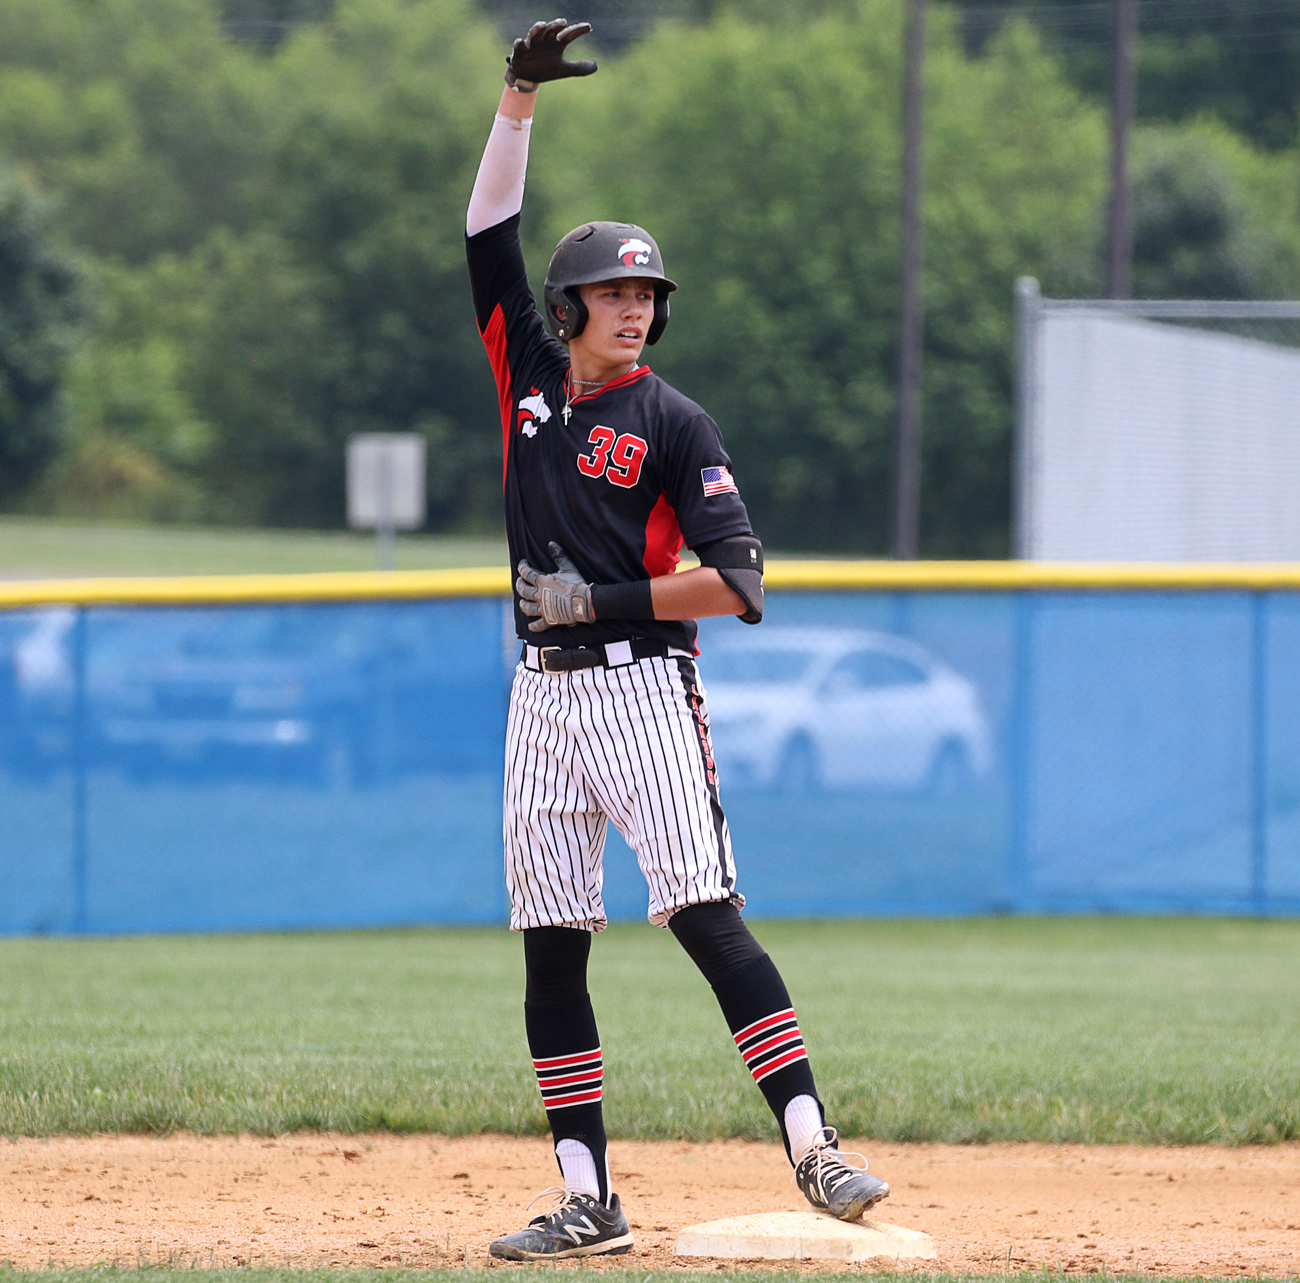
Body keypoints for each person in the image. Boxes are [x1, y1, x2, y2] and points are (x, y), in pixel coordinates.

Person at [465, 18, 890, 1262]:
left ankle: (812, 1144)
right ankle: (587, 1194)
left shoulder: (675, 421)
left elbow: (741, 583)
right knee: (551, 943)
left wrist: (600, 604)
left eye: (648, 293)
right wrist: (517, 99)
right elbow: (485, 232)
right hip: (538, 704)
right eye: (614, 292)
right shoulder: (528, 381)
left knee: (705, 914)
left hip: (645, 689)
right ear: (567, 306)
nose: (635, 309)